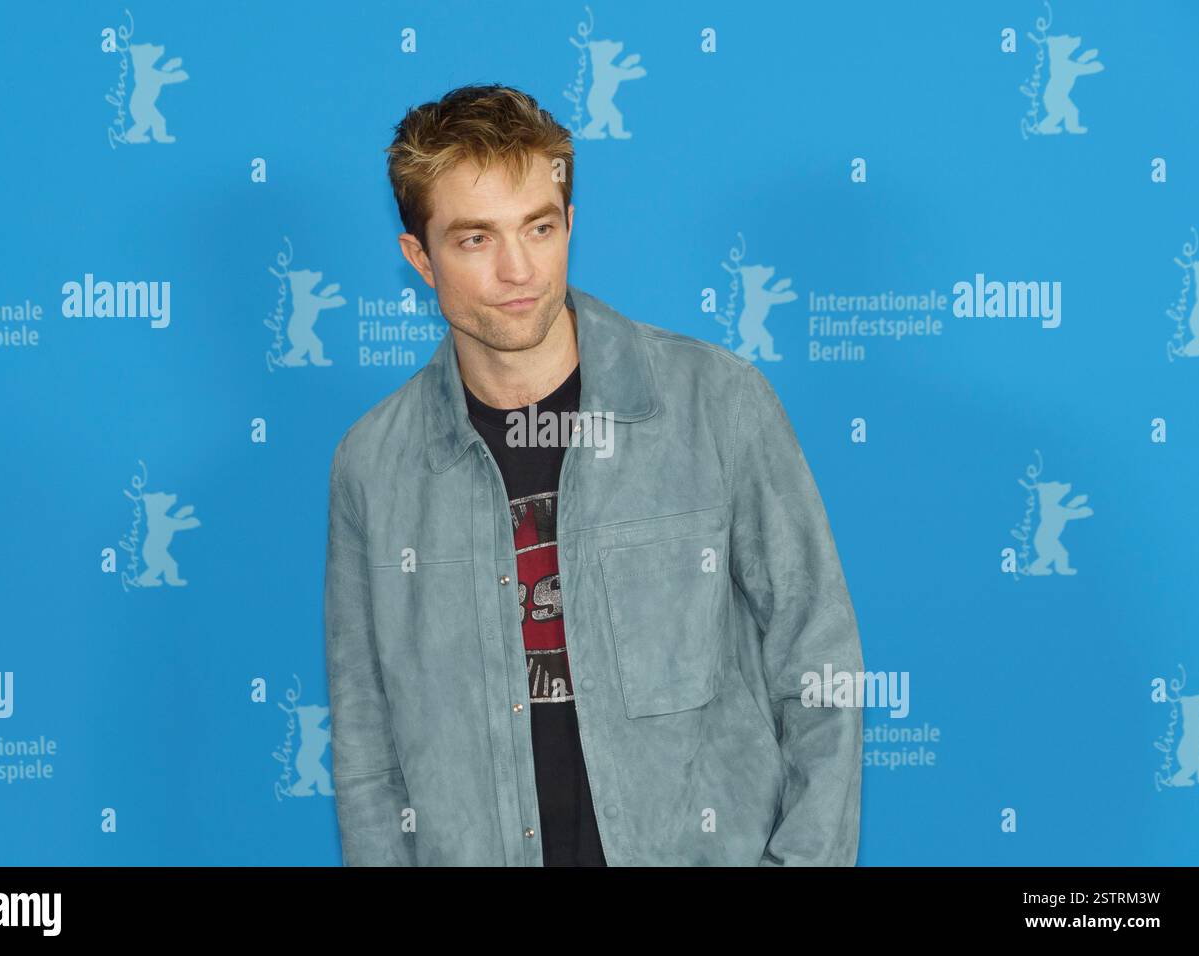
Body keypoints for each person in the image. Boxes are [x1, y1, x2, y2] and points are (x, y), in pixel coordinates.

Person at [325, 84, 864, 866]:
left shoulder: (714, 403)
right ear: (419, 257)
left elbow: (820, 667)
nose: (519, 270)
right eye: (476, 240)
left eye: (538, 228)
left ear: (569, 223)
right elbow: (368, 748)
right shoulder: (373, 465)